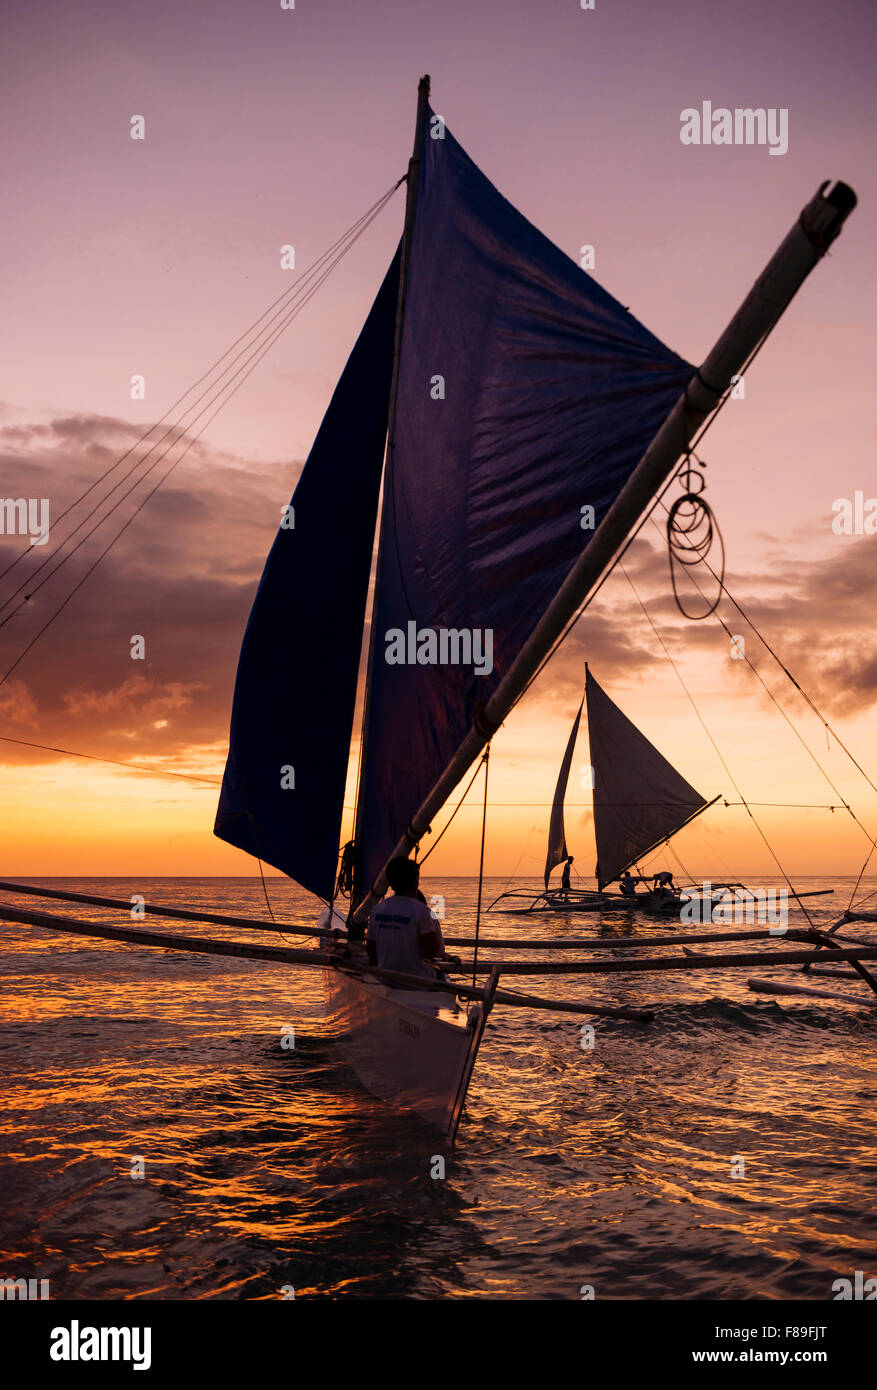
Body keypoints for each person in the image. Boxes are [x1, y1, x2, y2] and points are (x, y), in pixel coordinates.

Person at [366, 857, 444, 980]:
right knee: (441, 974)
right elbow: (432, 951)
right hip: (419, 982)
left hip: (385, 978)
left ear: (391, 883)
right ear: (415, 882)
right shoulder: (422, 911)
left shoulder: (377, 910)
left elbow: (371, 950)